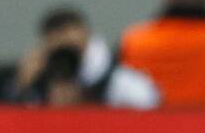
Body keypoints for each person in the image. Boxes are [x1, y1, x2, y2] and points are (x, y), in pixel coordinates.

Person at [10, 6, 159, 108]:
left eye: (67, 34)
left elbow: (146, 115)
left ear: (85, 34)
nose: (64, 44)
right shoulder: (40, 82)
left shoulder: (123, 82)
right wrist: (23, 88)